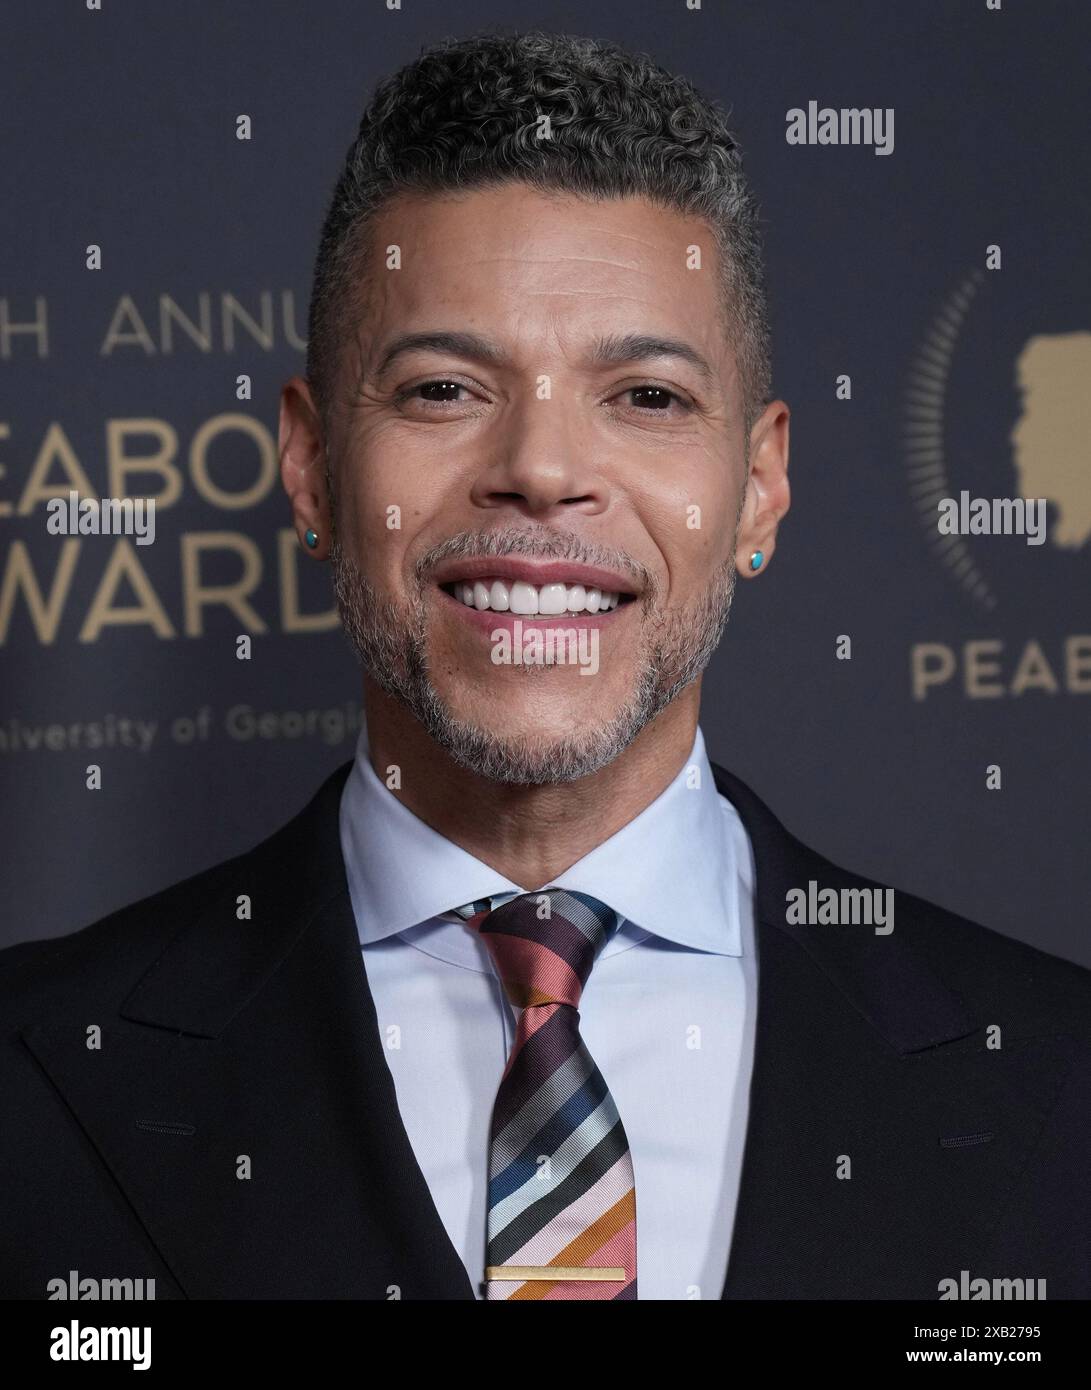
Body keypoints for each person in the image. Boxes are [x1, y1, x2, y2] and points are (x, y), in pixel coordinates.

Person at [3, 29, 1088, 1302]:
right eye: (444, 388)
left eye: (646, 397)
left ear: (759, 486)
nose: (542, 467)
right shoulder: (34, 1074)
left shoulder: (1056, 1081)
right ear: (308, 468)